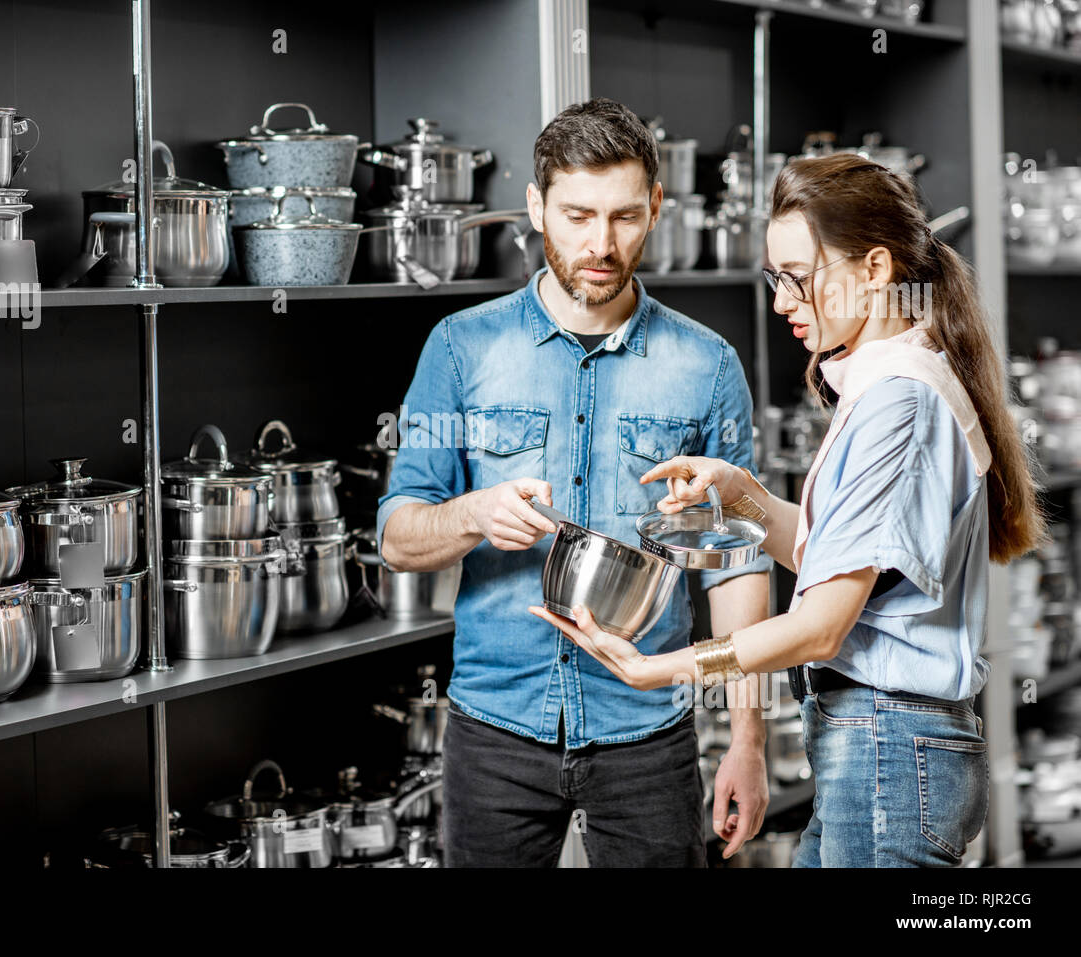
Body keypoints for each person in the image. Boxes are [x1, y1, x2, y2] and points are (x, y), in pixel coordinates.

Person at [532, 152, 1045, 867]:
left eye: (799, 279)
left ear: (874, 269)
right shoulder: (893, 378)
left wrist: (668, 668)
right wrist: (741, 492)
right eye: (776, 279)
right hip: (876, 747)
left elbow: (822, 626)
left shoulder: (897, 400)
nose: (781, 302)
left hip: (887, 751)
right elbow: (837, 561)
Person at [377, 98, 773, 867]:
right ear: (536, 207)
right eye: (577, 215)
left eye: (625, 216)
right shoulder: (460, 348)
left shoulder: (708, 366)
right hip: (493, 733)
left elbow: (738, 570)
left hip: (650, 734)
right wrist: (472, 513)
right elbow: (396, 536)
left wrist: (747, 739)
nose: (601, 244)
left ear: (657, 206)